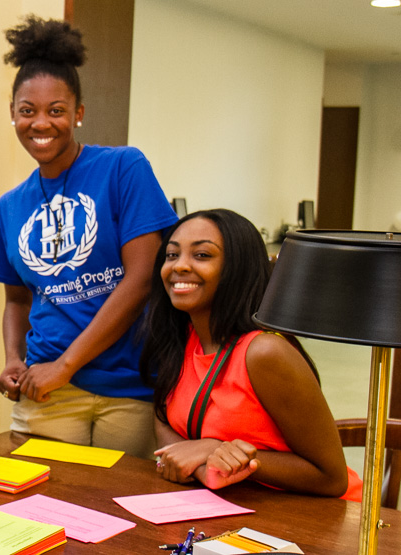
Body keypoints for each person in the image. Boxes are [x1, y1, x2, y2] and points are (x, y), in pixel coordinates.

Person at [0, 15, 177, 458]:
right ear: (13, 114)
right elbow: (17, 300)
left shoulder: (123, 169)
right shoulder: (8, 207)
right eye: (27, 111)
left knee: (123, 515)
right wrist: (15, 360)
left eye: (56, 111)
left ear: (79, 114)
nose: (41, 123)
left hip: (127, 387)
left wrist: (66, 365)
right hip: (46, 391)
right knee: (41, 514)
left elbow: (141, 278)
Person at [139, 208, 361, 499]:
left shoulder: (265, 352)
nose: (179, 266)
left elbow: (331, 478)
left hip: (316, 516)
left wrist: (214, 449)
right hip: (231, 506)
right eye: (171, 255)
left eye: (202, 255)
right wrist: (199, 465)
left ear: (237, 268)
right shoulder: (180, 335)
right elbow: (164, 417)